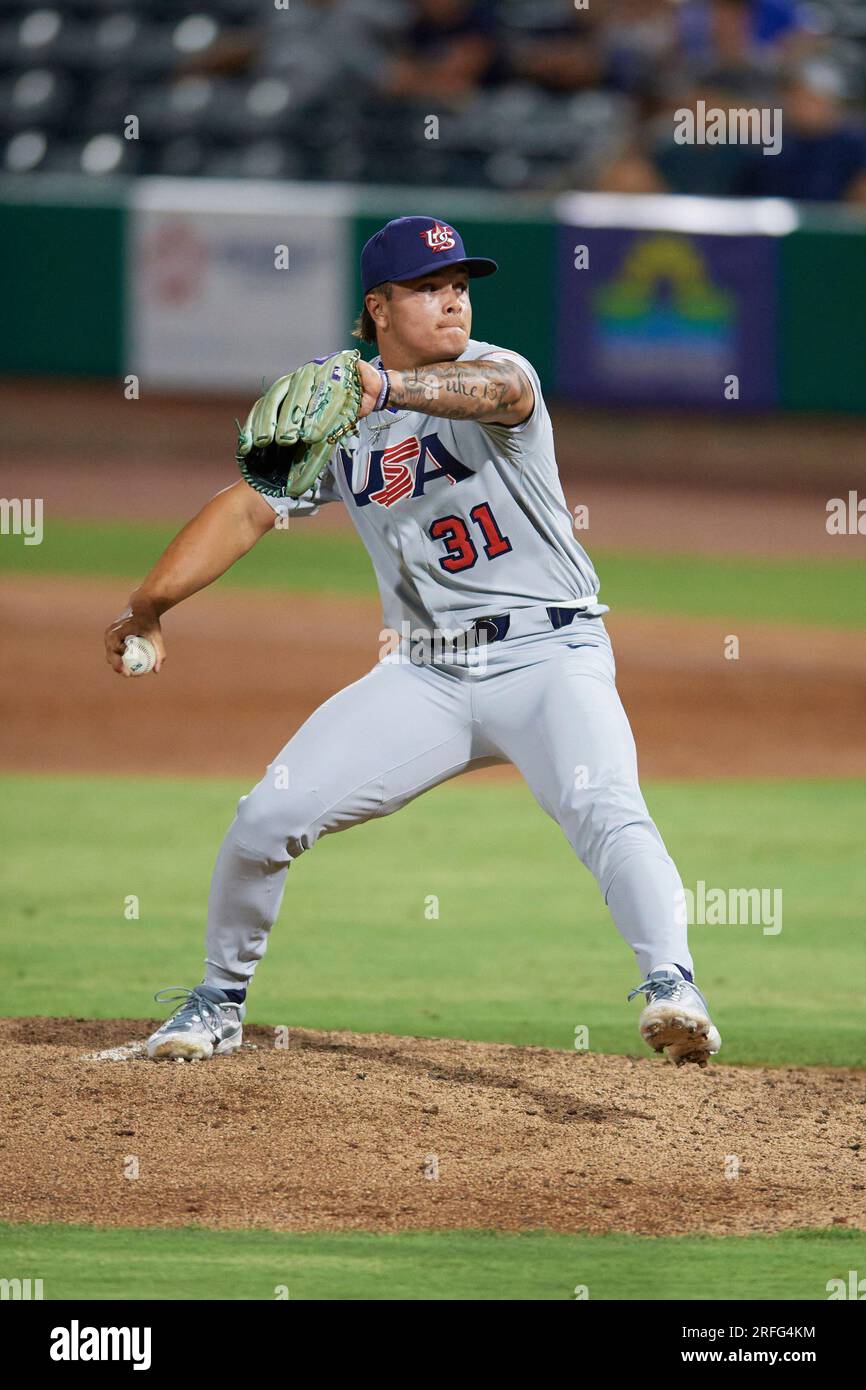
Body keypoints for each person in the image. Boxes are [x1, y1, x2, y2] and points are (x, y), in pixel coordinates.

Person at [104, 215, 721, 1068]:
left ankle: (672, 988)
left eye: (461, 286)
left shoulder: (498, 376)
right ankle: (217, 1003)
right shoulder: (343, 421)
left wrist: (386, 391)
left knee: (605, 806)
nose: (453, 302)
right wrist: (148, 606)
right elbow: (249, 505)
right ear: (378, 306)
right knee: (265, 818)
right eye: (430, 288)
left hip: (550, 657)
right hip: (425, 675)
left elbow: (498, 395)